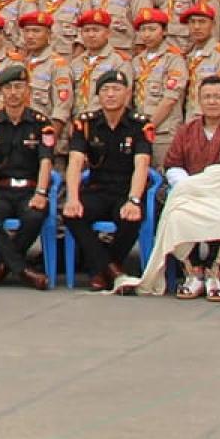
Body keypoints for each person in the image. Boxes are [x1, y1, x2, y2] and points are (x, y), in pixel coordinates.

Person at [117, 75, 220, 300]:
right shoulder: (186, 131)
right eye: (207, 97)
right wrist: (189, 184)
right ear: (198, 100)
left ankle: (215, 273)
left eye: (218, 97)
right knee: (177, 215)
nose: (212, 102)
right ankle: (193, 272)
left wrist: (212, 183)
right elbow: (172, 164)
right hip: (190, 194)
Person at [61, 70, 153, 291]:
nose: (110, 95)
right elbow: (74, 163)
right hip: (98, 188)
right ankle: (113, 271)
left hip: (125, 190)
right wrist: (72, 198)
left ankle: (100, 271)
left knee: (131, 218)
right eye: (105, 90)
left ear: (128, 94)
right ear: (97, 95)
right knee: (72, 214)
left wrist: (134, 200)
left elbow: (142, 165)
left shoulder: (140, 125)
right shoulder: (85, 123)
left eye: (116, 90)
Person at [0, 65, 53, 290]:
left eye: (18, 86)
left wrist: (41, 193)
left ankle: (2, 269)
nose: (13, 92)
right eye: (8, 87)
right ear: (1, 91)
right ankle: (23, 270)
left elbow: (46, 161)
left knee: (35, 216)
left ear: (27, 90)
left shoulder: (41, 123)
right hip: (2, 189)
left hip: (30, 188)